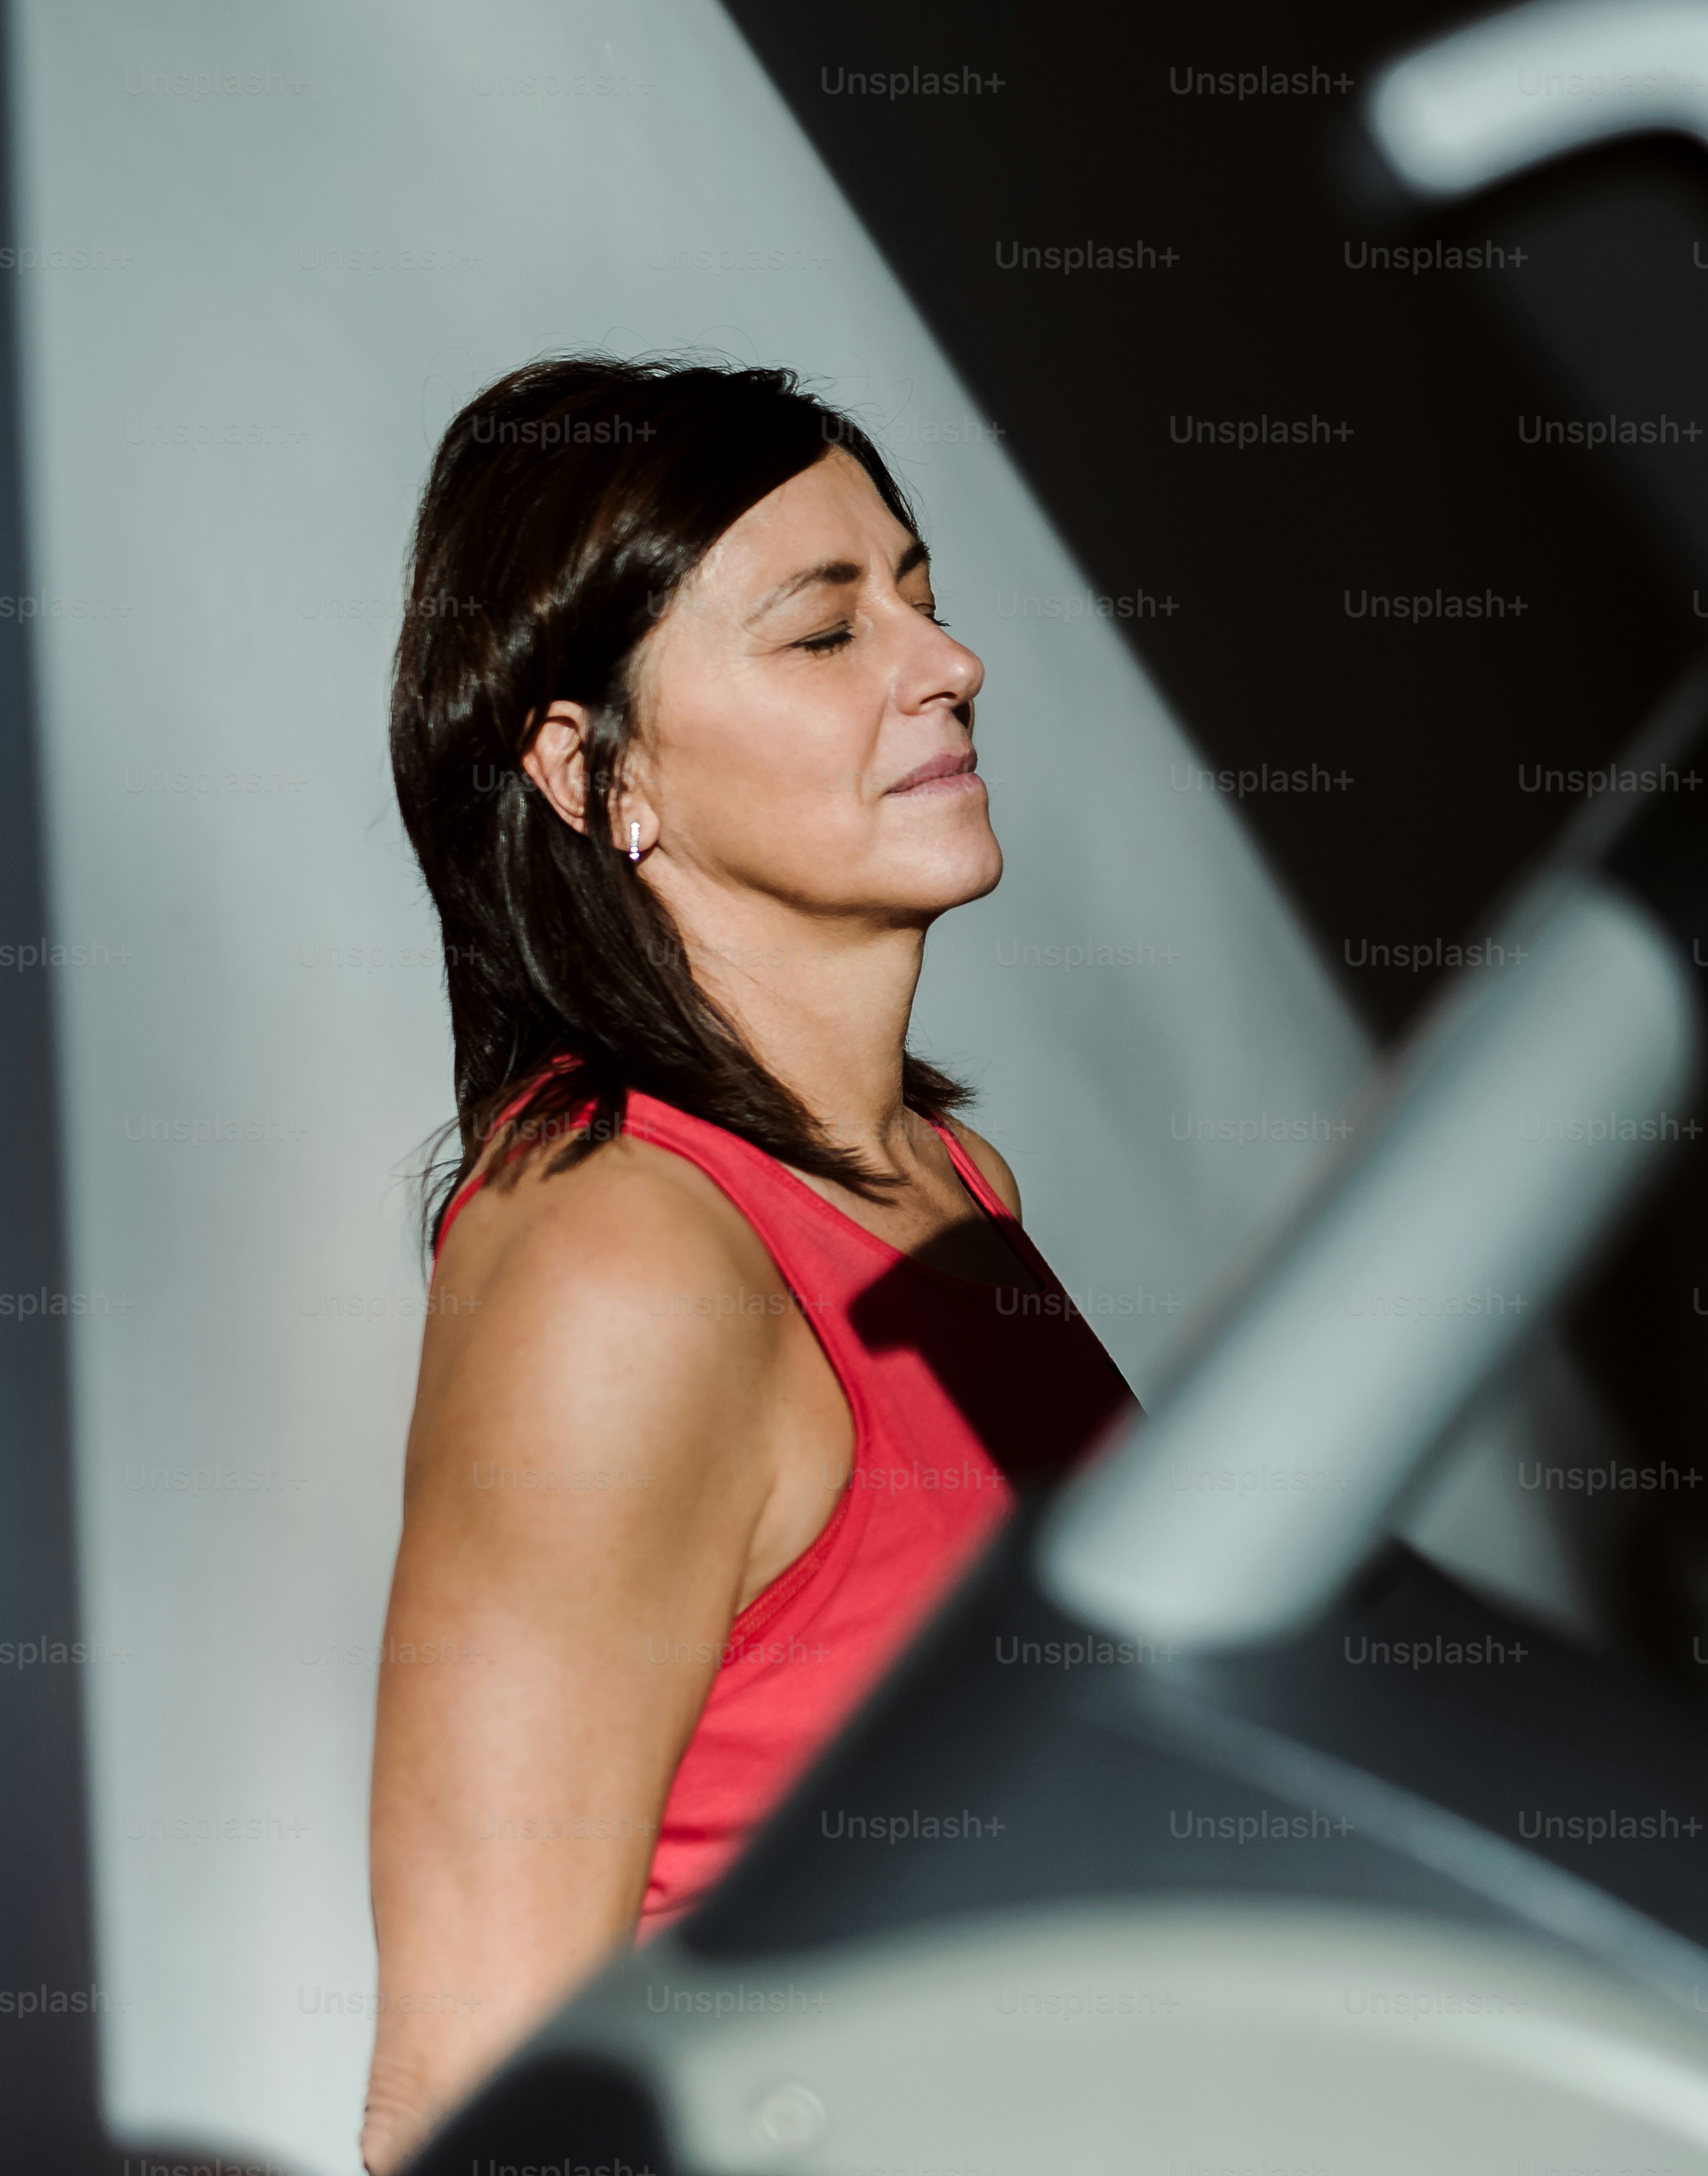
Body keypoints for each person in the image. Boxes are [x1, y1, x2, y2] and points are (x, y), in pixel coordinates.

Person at [357, 359, 1136, 2172]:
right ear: (589, 769)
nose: (948, 667)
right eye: (821, 633)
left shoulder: (951, 1183)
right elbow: (470, 2082)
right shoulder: (621, 1263)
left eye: (922, 597)